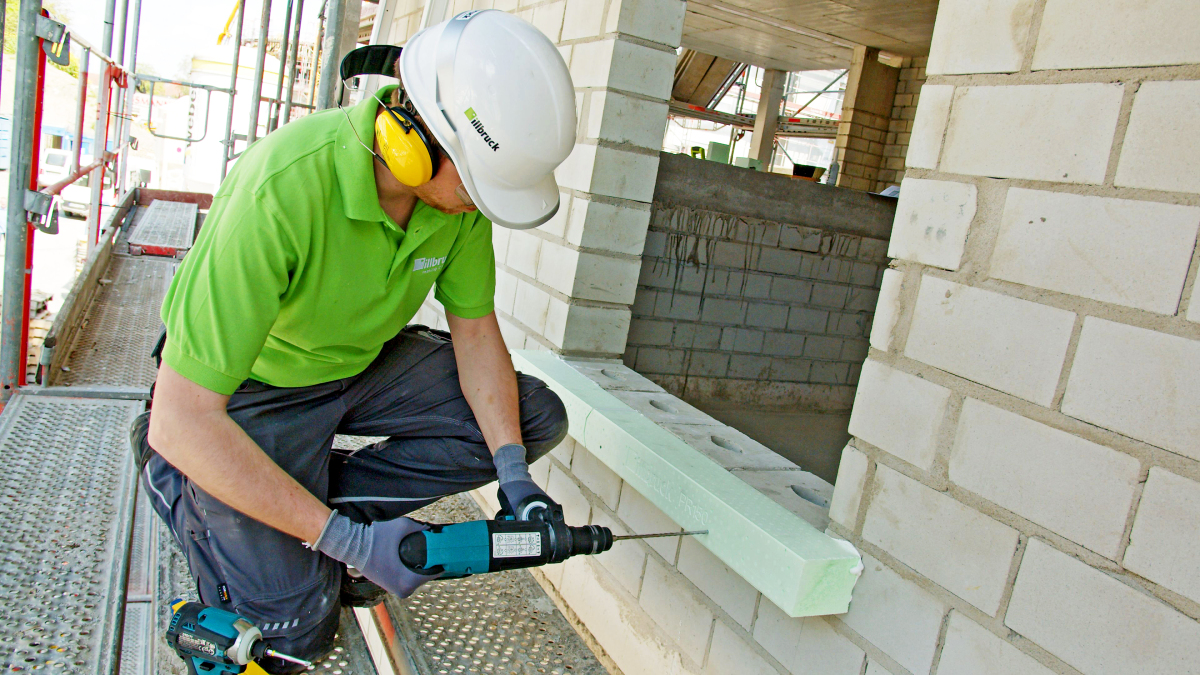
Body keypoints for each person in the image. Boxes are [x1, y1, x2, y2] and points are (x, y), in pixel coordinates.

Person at [130, 10, 578, 672]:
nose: (484, 206)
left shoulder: (454, 207)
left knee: (533, 416)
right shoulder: (282, 190)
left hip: (357, 367)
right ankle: (185, 482)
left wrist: (515, 476)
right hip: (244, 395)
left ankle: (289, 508)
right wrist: (345, 542)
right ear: (415, 140)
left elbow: (477, 332)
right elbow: (185, 415)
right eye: (480, 185)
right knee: (296, 633)